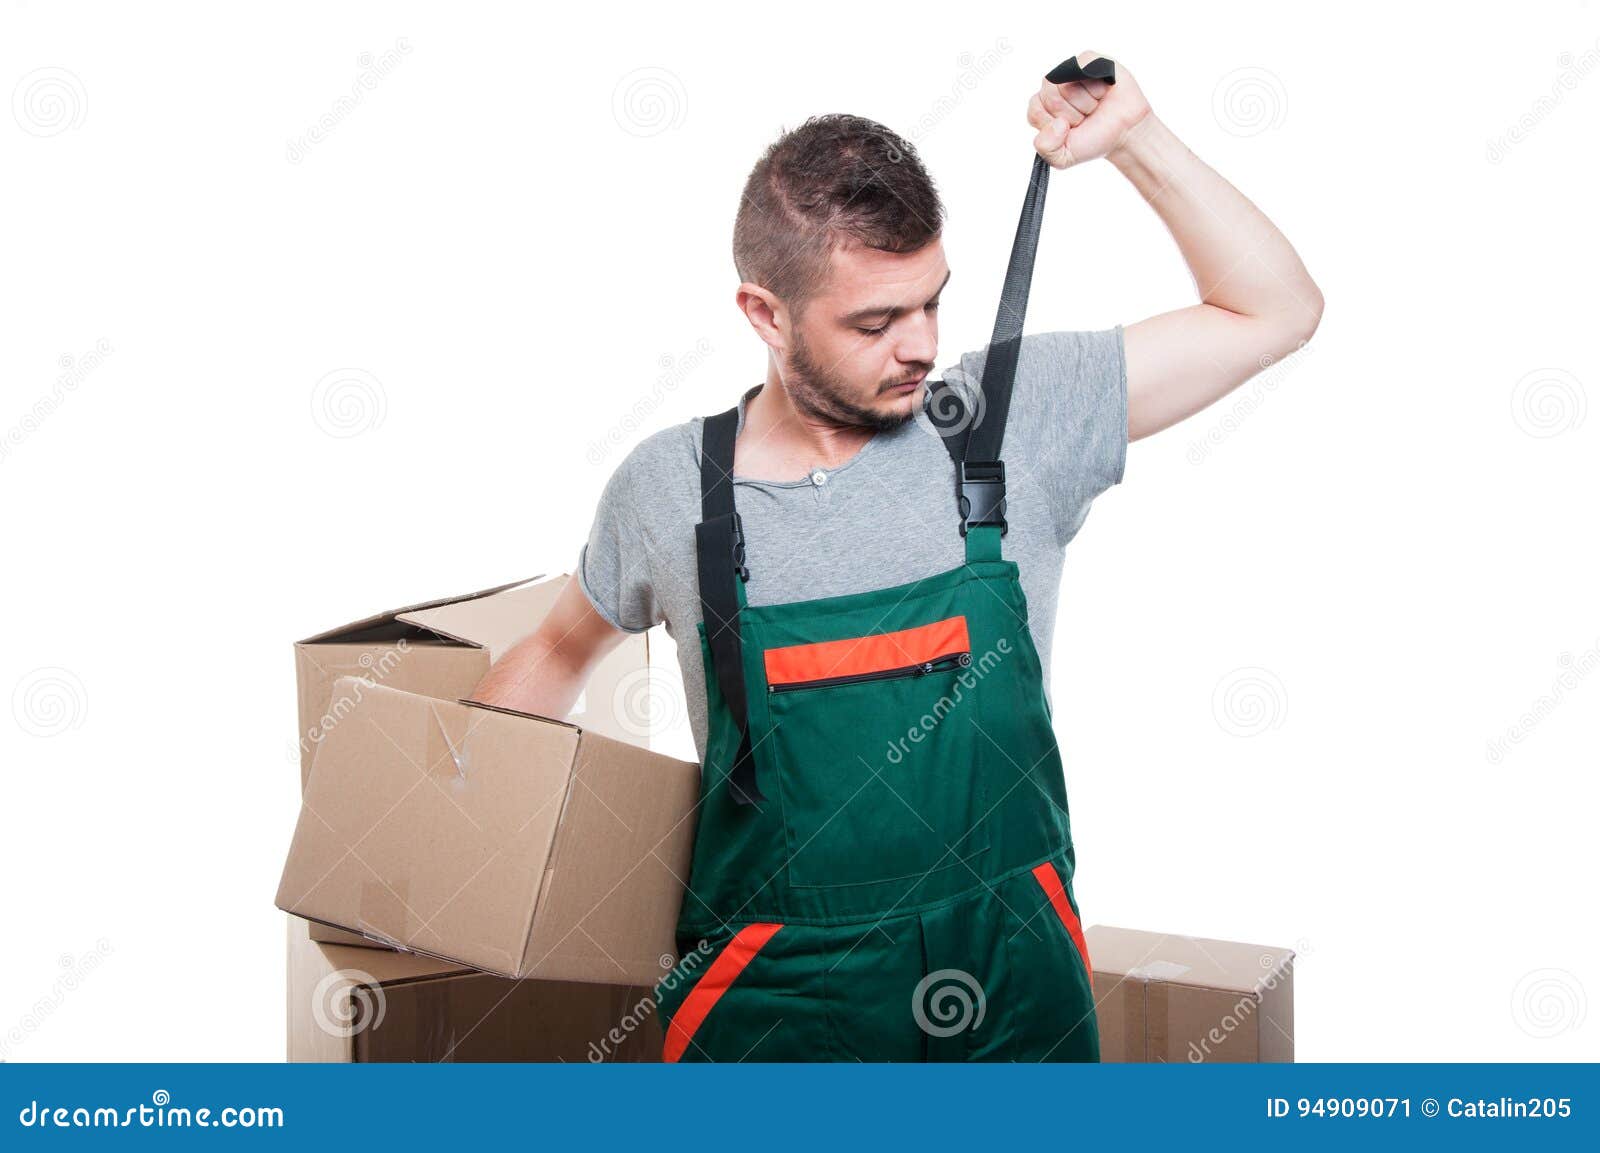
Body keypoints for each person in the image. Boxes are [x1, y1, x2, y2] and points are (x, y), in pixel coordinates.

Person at [471, 52, 1322, 1061]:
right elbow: (558, 649)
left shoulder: (1008, 418)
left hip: (1013, 992)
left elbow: (1277, 310)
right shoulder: (670, 488)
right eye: (875, 322)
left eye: (931, 302)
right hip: (775, 1012)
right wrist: (454, 833)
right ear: (765, 314)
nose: (919, 345)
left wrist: (1136, 140)